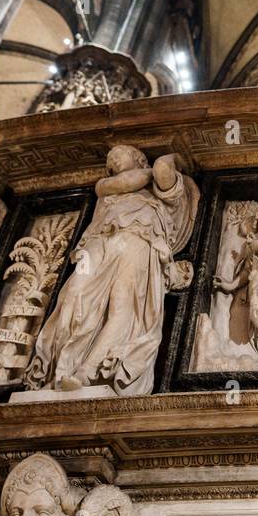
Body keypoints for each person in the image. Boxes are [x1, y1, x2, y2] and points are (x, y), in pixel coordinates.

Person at [25, 145, 198, 395]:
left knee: (123, 307)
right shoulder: (106, 185)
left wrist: (172, 156)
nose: (112, 159)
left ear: (139, 157)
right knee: (74, 295)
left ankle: (87, 371)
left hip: (140, 239)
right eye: (109, 158)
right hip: (96, 243)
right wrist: (164, 162)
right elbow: (125, 182)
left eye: (119, 153)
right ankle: (59, 369)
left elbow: (162, 170)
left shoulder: (166, 183)